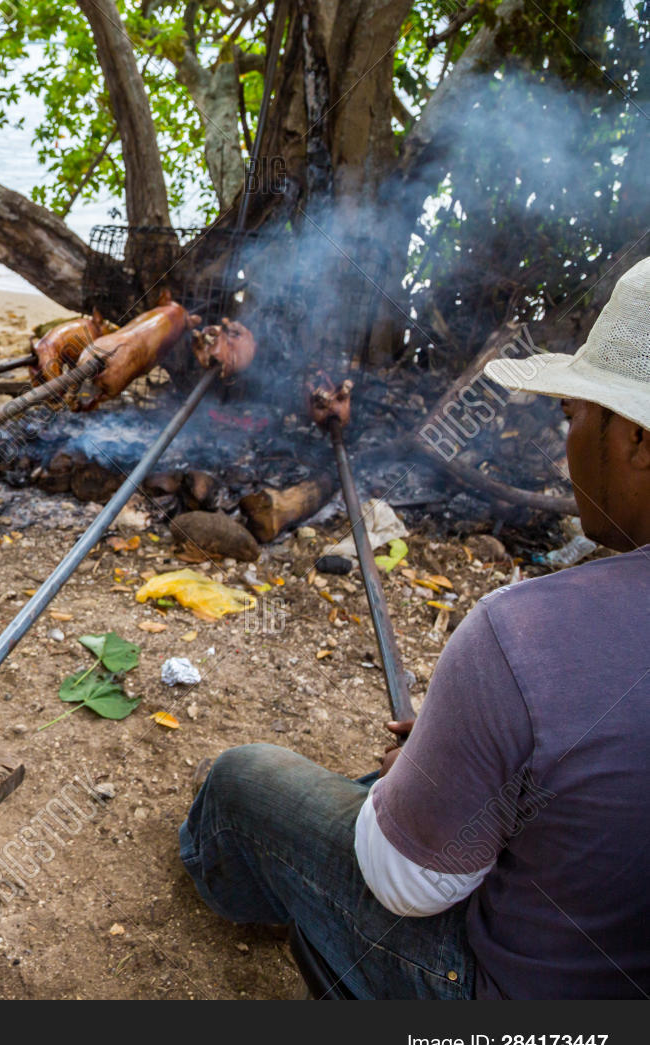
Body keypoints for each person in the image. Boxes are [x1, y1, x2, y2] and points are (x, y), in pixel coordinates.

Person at [179, 258, 650, 999]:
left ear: (637, 439)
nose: (569, 436)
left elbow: (406, 886)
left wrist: (418, 776)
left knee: (242, 781)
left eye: (574, 414)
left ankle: (228, 879)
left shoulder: (522, 633)